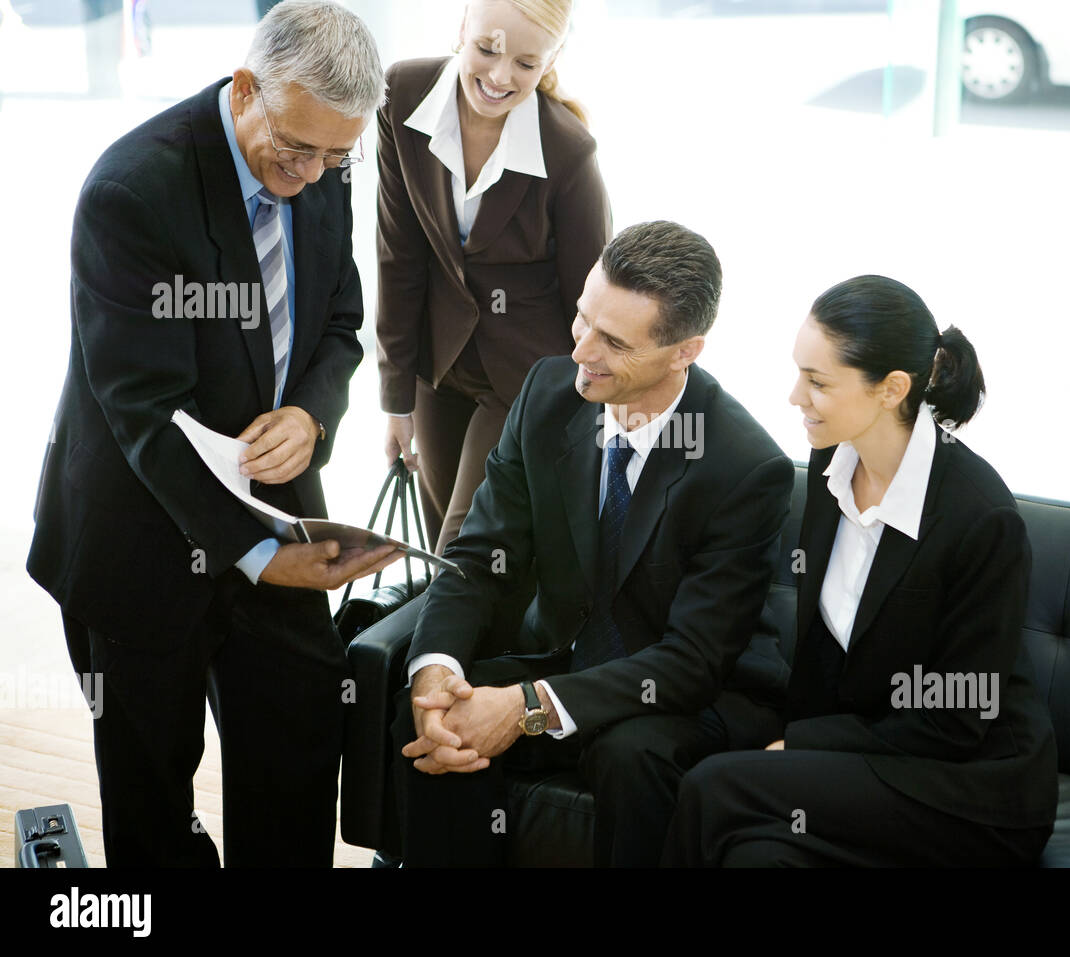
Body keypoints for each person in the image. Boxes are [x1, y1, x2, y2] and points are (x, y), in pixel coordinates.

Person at [27, 0, 396, 867]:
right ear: (244, 90)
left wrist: (311, 413)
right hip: (138, 535)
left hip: (278, 515)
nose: (311, 176)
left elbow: (342, 321)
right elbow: (144, 413)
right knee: (152, 788)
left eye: (335, 156)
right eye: (295, 149)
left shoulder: (325, 158)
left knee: (299, 749)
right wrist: (262, 556)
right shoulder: (132, 193)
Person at [392, 221, 794, 867]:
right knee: (438, 708)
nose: (582, 350)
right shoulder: (548, 394)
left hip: (688, 689)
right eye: (582, 319)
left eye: (613, 341)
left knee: (630, 753)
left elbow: (692, 659)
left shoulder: (741, 465)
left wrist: (526, 707)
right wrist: (438, 670)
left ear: (684, 351)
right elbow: (478, 557)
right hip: (566, 658)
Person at [664, 276, 1059, 867]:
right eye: (800, 373)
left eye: (818, 382)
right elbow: (827, 655)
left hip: (972, 785)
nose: (795, 396)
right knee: (761, 852)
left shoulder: (981, 519)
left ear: (891, 389)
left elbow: (957, 720)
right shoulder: (832, 464)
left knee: (713, 785)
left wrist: (801, 744)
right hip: (871, 755)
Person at [377, 0, 612, 556]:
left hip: (525, 376)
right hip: (439, 367)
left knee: (465, 549)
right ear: (462, 27)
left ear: (553, 58)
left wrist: (591, 408)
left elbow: (596, 298)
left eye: (527, 65)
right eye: (487, 49)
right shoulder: (404, 94)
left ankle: (433, 648)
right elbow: (398, 252)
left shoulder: (568, 151)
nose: (500, 77)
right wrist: (395, 397)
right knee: (440, 546)